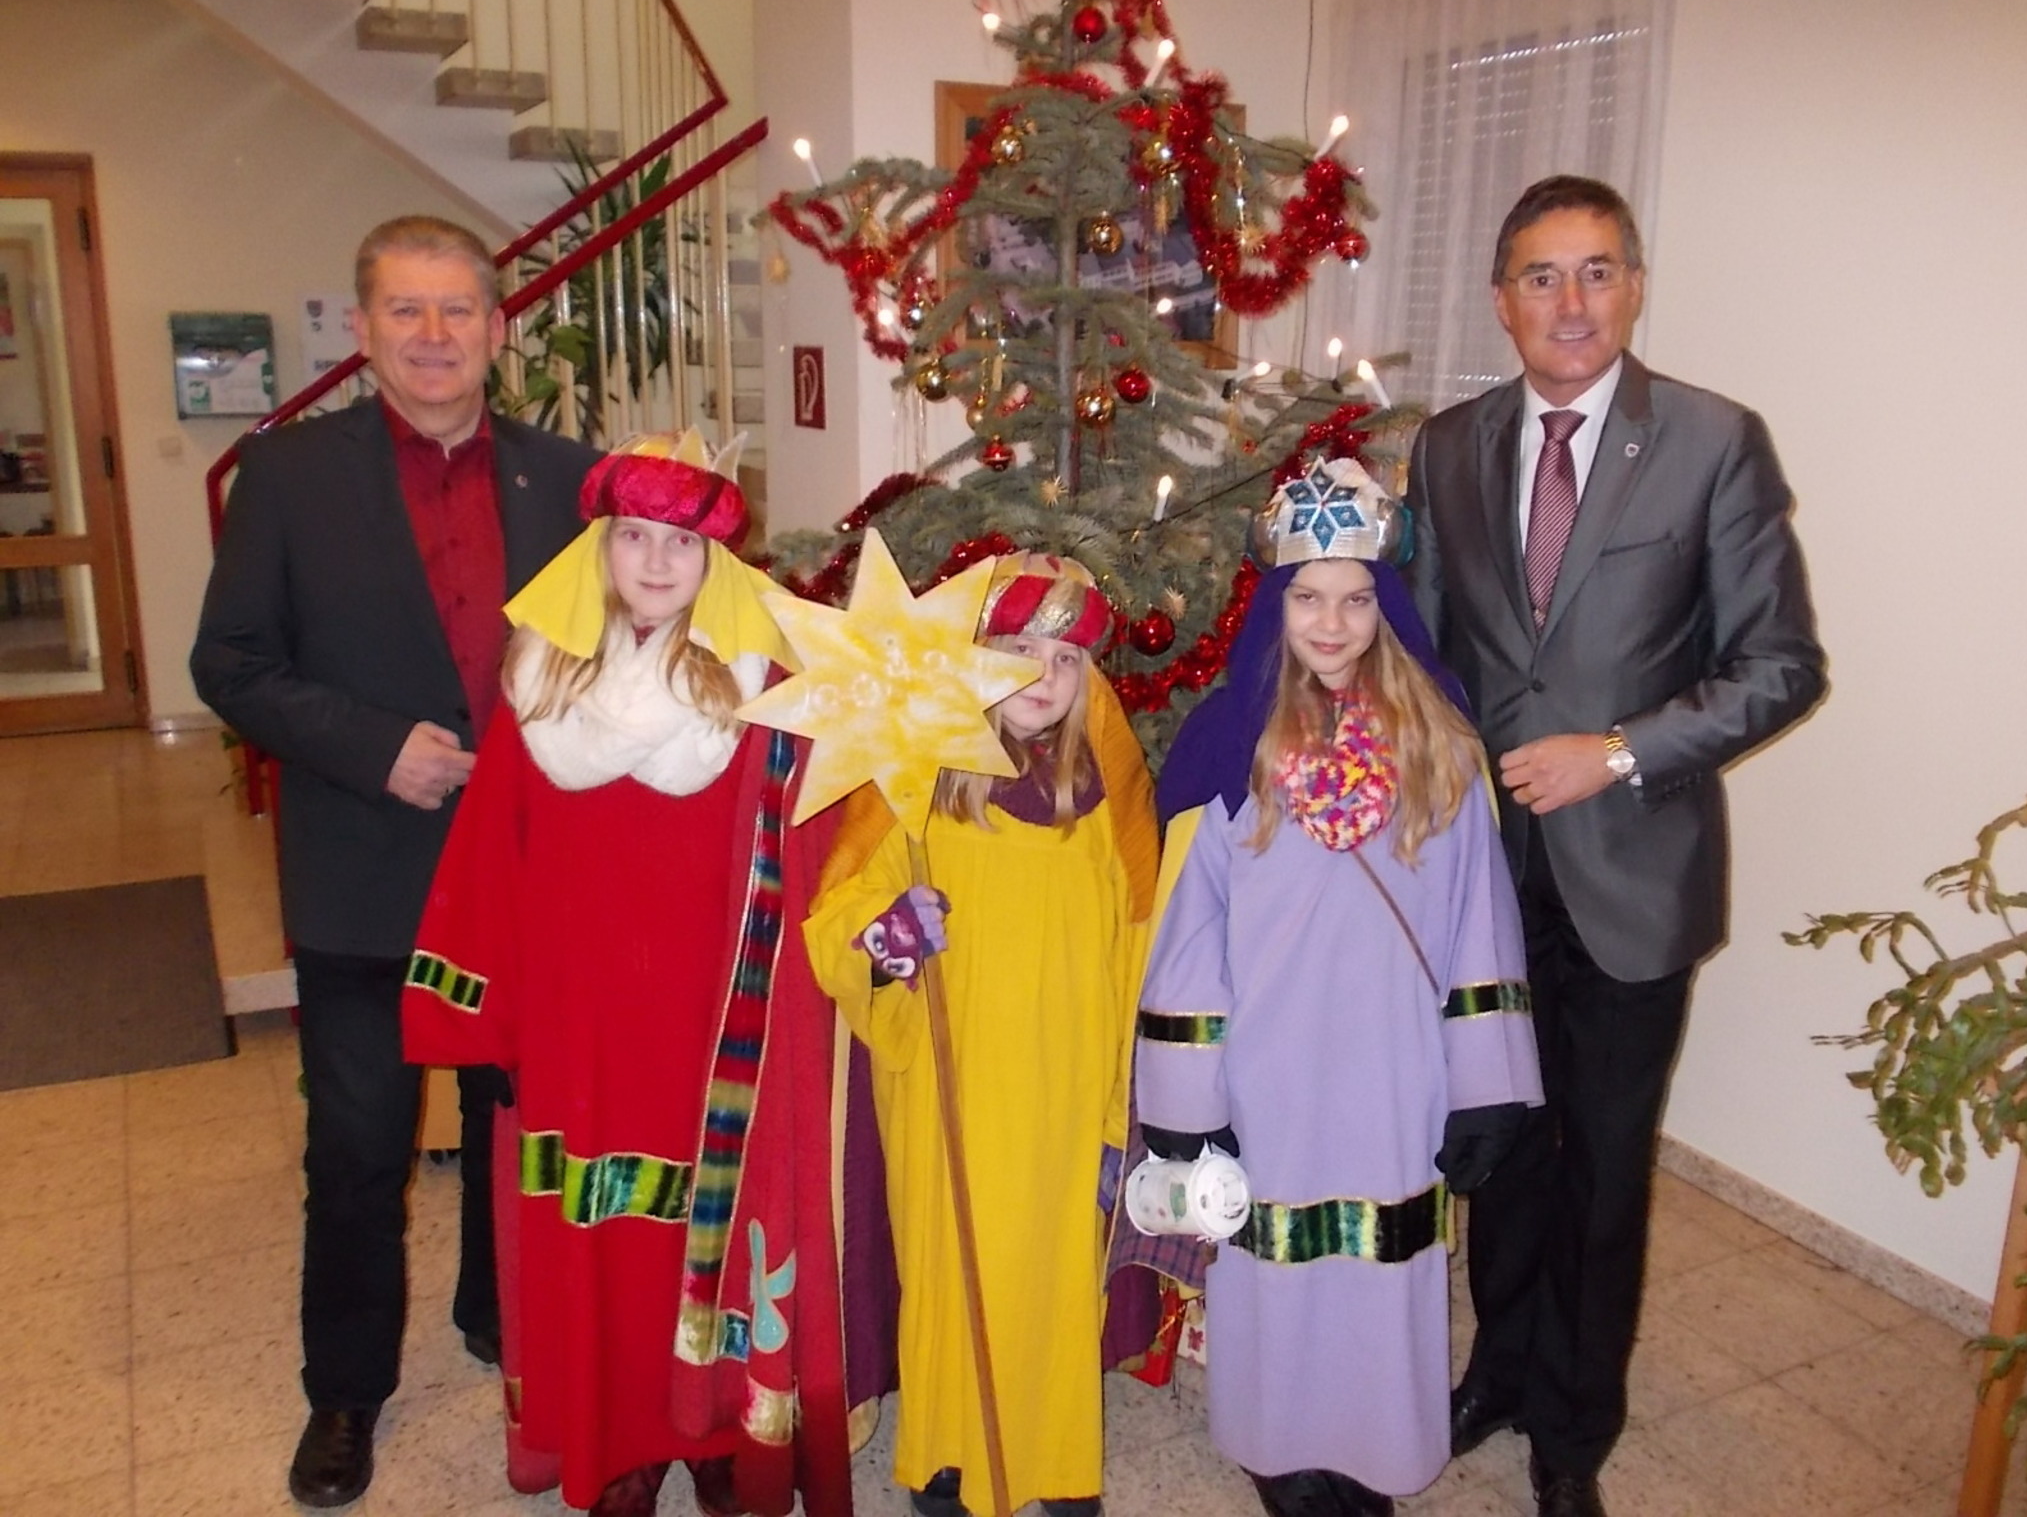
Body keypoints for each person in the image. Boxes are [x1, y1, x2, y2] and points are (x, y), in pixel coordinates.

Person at [1404, 174, 1826, 1517]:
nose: (1570, 302)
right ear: (1501, 299)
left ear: (1635, 286)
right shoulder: (1449, 445)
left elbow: (1781, 665)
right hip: (1484, 883)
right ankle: (1500, 1373)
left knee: (1601, 1169)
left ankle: (1573, 1433)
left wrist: (1622, 748)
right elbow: (1425, 655)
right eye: (1541, 276)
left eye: (1596, 272)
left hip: (1634, 879)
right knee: (1502, 1151)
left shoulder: (1712, 441)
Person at [190, 215, 597, 1509]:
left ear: (499, 325)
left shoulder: (571, 477)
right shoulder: (290, 476)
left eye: (458, 311)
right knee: (359, 1151)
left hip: (528, 875)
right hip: (365, 870)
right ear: (364, 332)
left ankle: (499, 1318)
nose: (434, 337)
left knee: (511, 1125)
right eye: (406, 313)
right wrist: (375, 750)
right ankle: (346, 1392)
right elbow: (232, 663)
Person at [399, 429, 856, 1517]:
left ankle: (703, 1428)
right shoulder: (537, 683)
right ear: (599, 549)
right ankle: (617, 1442)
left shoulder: (767, 688)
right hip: (575, 1026)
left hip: (709, 1026)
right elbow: (487, 861)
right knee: (596, 1240)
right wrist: (482, 1022)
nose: (655, 563)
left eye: (681, 544)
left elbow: (822, 841)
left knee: (698, 1229)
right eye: (634, 538)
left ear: (717, 561)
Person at [1134, 460, 1543, 1517]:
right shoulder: (1228, 744)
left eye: (1354, 598)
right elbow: (1188, 940)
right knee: (1271, 1267)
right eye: (1307, 597)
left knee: (1380, 1261)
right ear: (1275, 603)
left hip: (1392, 1073)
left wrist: (1488, 1084)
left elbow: (1475, 921)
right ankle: (1280, 1446)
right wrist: (1183, 1110)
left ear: (1384, 604)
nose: (1331, 622)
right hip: (1264, 1071)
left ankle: (1371, 1442)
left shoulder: (1440, 743)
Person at [803, 553, 1159, 1517]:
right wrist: (888, 936)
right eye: (1016, 650)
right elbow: (835, 919)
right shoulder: (916, 784)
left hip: (1067, 1078)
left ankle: (1053, 1453)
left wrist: (1129, 1090)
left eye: (1066, 659)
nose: (1042, 678)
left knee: (1054, 1265)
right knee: (951, 1264)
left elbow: (1140, 936)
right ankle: (951, 1449)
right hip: (950, 1083)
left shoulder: (1106, 794)